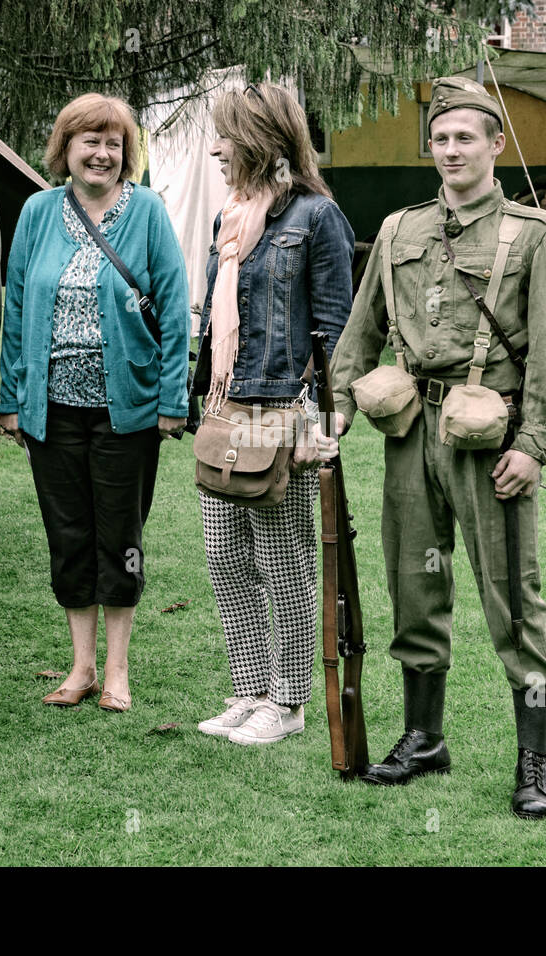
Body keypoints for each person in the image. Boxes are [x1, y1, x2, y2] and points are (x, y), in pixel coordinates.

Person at [323, 76, 546, 816]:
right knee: (414, 585)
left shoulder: (536, 235)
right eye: (440, 139)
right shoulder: (400, 230)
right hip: (411, 432)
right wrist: (340, 406)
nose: (450, 150)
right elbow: (362, 328)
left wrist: (535, 445)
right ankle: (424, 737)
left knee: (512, 599)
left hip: (490, 438)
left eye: (464, 137)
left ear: (495, 145)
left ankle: (533, 765)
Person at [0, 94, 189, 714]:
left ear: (126, 152)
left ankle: (118, 672)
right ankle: (80, 668)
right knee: (70, 535)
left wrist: (171, 399)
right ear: (66, 148)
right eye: (89, 140)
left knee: (121, 535)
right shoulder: (37, 211)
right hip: (52, 409)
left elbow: (174, 308)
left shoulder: (150, 212)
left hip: (125, 409)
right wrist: (12, 396)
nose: (101, 153)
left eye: (113, 143)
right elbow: (19, 306)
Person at [190, 83, 355, 745]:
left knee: (283, 562)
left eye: (225, 135)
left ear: (258, 138)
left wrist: (323, 420)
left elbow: (337, 328)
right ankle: (251, 689)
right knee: (224, 556)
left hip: (281, 408)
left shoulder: (318, 218)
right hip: (227, 405)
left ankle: (287, 703)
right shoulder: (230, 216)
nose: (215, 148)